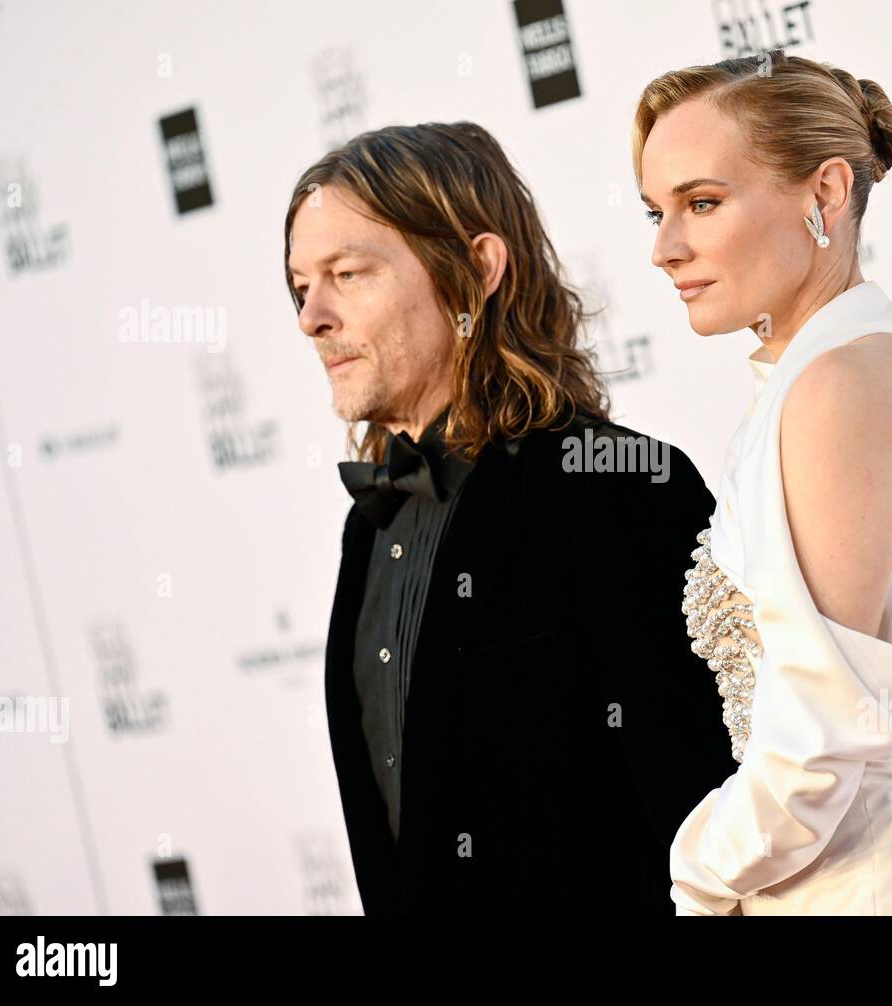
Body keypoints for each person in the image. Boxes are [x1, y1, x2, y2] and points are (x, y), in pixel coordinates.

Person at [284, 122, 736, 914]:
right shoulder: (372, 524)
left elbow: (709, 822)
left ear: (474, 271)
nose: (311, 317)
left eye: (347, 273)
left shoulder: (620, 488)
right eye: (299, 287)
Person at [633, 49, 892, 915]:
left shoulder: (841, 388)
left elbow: (816, 743)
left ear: (824, 194)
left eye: (702, 203)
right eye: (655, 211)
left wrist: (698, 875)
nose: (665, 250)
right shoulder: (821, 376)